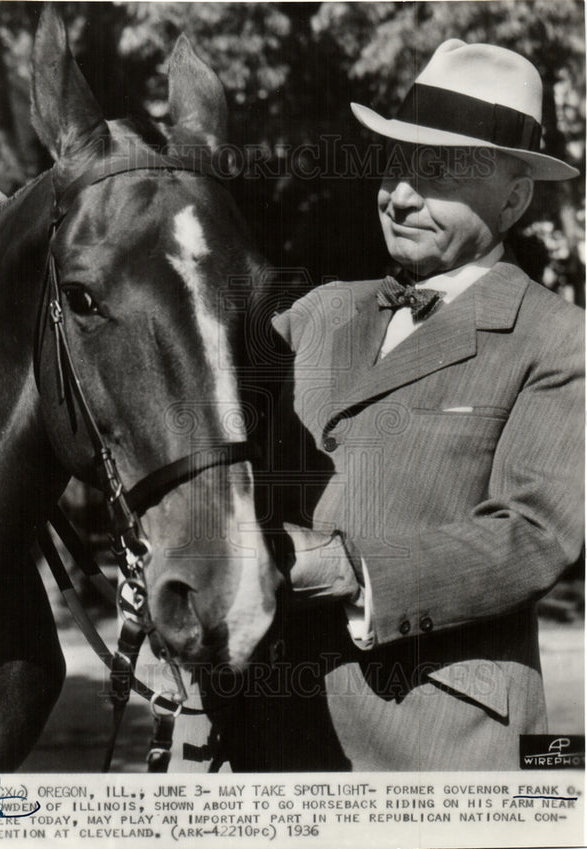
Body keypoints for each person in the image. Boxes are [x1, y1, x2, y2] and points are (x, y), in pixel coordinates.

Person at [220, 39, 584, 771]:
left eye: (439, 171)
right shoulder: (318, 311)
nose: (400, 194)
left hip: (442, 753)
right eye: (395, 164)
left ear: (515, 198)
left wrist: (353, 567)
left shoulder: (560, 339)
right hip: (271, 742)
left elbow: (533, 534)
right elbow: (181, 380)